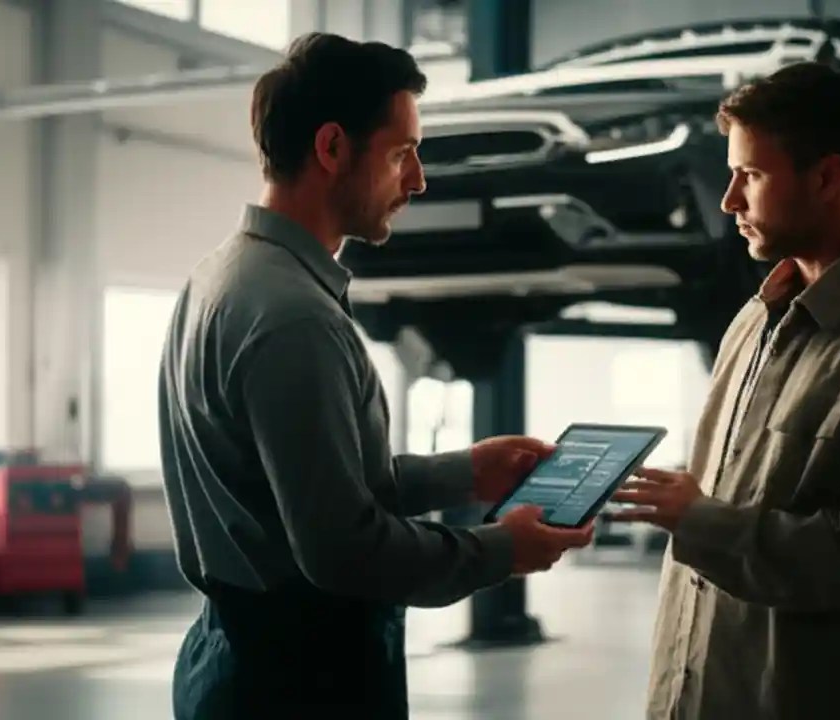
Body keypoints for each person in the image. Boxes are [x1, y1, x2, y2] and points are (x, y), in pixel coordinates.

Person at [158, 32, 593, 719]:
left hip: (244, 658)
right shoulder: (293, 317)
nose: (417, 180)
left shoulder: (224, 277)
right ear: (332, 149)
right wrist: (500, 550)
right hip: (301, 685)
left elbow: (317, 486)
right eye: (400, 154)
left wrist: (465, 472)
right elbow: (343, 549)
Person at [608, 62, 840, 720]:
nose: (728, 200)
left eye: (749, 174)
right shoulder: (755, 319)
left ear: (828, 177)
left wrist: (701, 521)